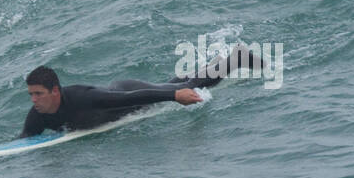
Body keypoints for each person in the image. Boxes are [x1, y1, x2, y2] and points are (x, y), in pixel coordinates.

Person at [20, 43, 263, 137]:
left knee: (183, 87)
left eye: (38, 93)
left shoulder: (83, 97)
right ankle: (211, 65)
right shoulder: (37, 114)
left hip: (127, 94)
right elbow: (25, 141)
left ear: (55, 91)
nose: (34, 99)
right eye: (31, 94)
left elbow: (131, 97)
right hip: (125, 94)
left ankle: (235, 59)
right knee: (172, 83)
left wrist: (175, 97)